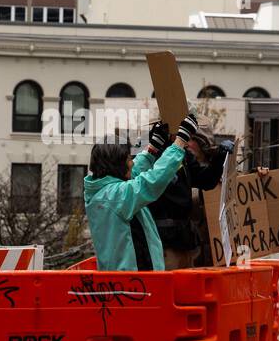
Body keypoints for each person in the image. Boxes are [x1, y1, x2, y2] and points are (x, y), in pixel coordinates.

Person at [84, 115, 199, 271]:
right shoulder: (116, 197)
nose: (132, 162)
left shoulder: (103, 192)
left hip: (126, 281)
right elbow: (150, 181)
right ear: (117, 165)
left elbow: (136, 172)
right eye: (128, 159)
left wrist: (152, 148)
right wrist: (179, 143)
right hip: (135, 283)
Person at [147, 117, 230, 270]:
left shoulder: (183, 155)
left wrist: (220, 156)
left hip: (185, 240)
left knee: (187, 290)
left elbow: (206, 180)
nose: (184, 138)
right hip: (163, 243)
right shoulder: (152, 156)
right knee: (169, 289)